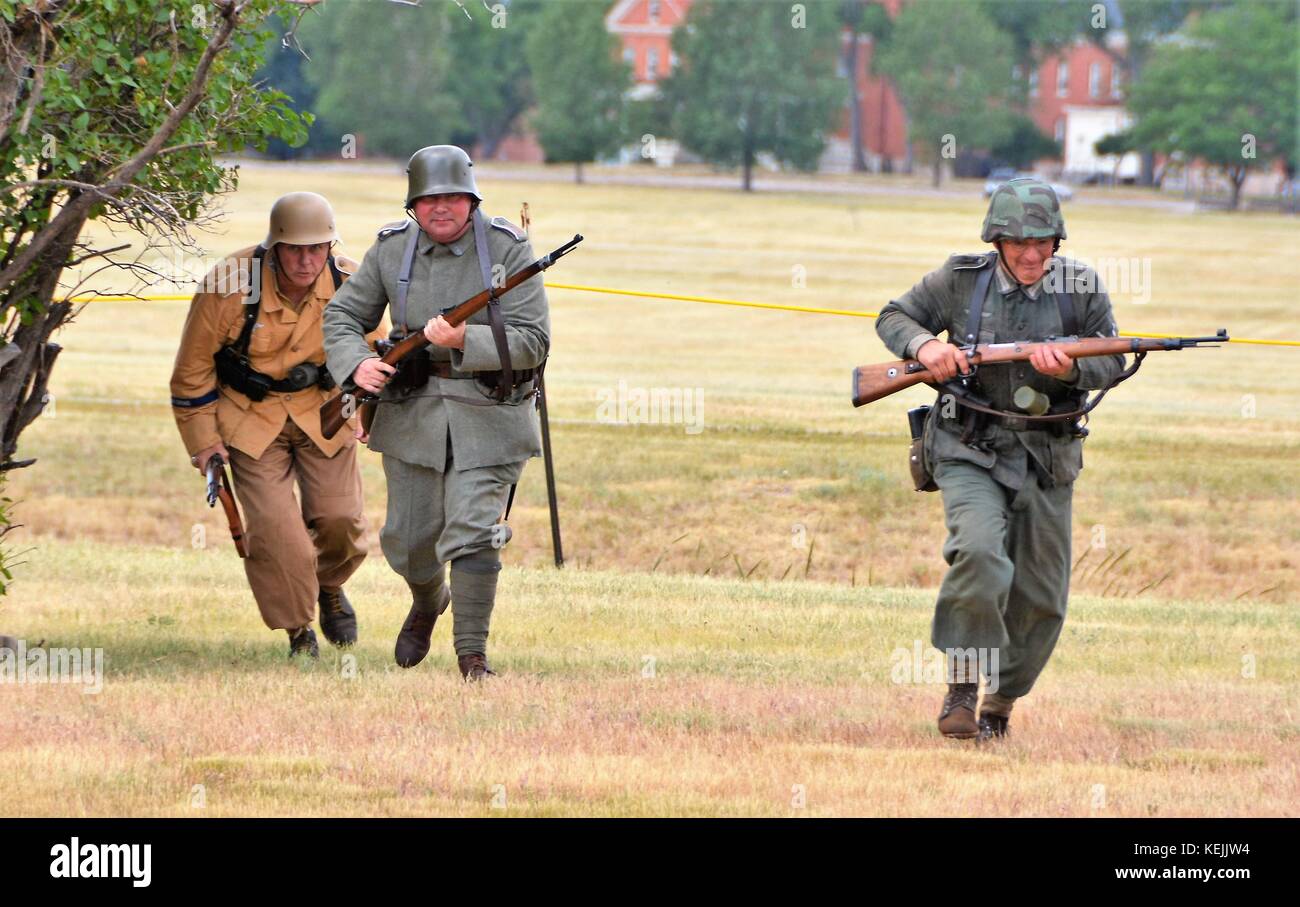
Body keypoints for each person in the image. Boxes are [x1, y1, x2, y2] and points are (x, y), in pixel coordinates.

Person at [874, 177, 1124, 740]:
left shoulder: (1080, 288)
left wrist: (1069, 369)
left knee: (1041, 597)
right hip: (970, 447)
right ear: (996, 241)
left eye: (1043, 242)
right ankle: (962, 683)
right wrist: (927, 347)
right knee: (980, 553)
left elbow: (1113, 358)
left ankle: (998, 706)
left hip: (1048, 454)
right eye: (1018, 242)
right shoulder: (960, 281)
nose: (1032, 253)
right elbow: (894, 316)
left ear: (1057, 241)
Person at [323, 145, 548, 681]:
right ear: (413, 205)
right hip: (411, 412)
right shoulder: (391, 250)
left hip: (490, 412)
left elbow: (534, 342)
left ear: (471, 199)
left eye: (451, 197)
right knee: (408, 542)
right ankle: (428, 599)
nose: (440, 208)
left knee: (472, 530)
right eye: (428, 199)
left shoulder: (509, 250)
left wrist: (465, 338)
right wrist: (357, 366)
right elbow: (341, 316)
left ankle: (472, 657)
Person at [171, 192, 384, 658]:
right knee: (274, 529)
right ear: (274, 248)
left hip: (325, 412)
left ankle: (329, 587)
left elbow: (378, 358)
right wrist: (203, 443)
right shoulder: (226, 286)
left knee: (341, 520)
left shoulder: (354, 281)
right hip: (250, 417)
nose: (306, 260)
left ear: (331, 246)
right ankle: (298, 629)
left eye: (317, 248)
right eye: (295, 249)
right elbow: (192, 372)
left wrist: (369, 415)